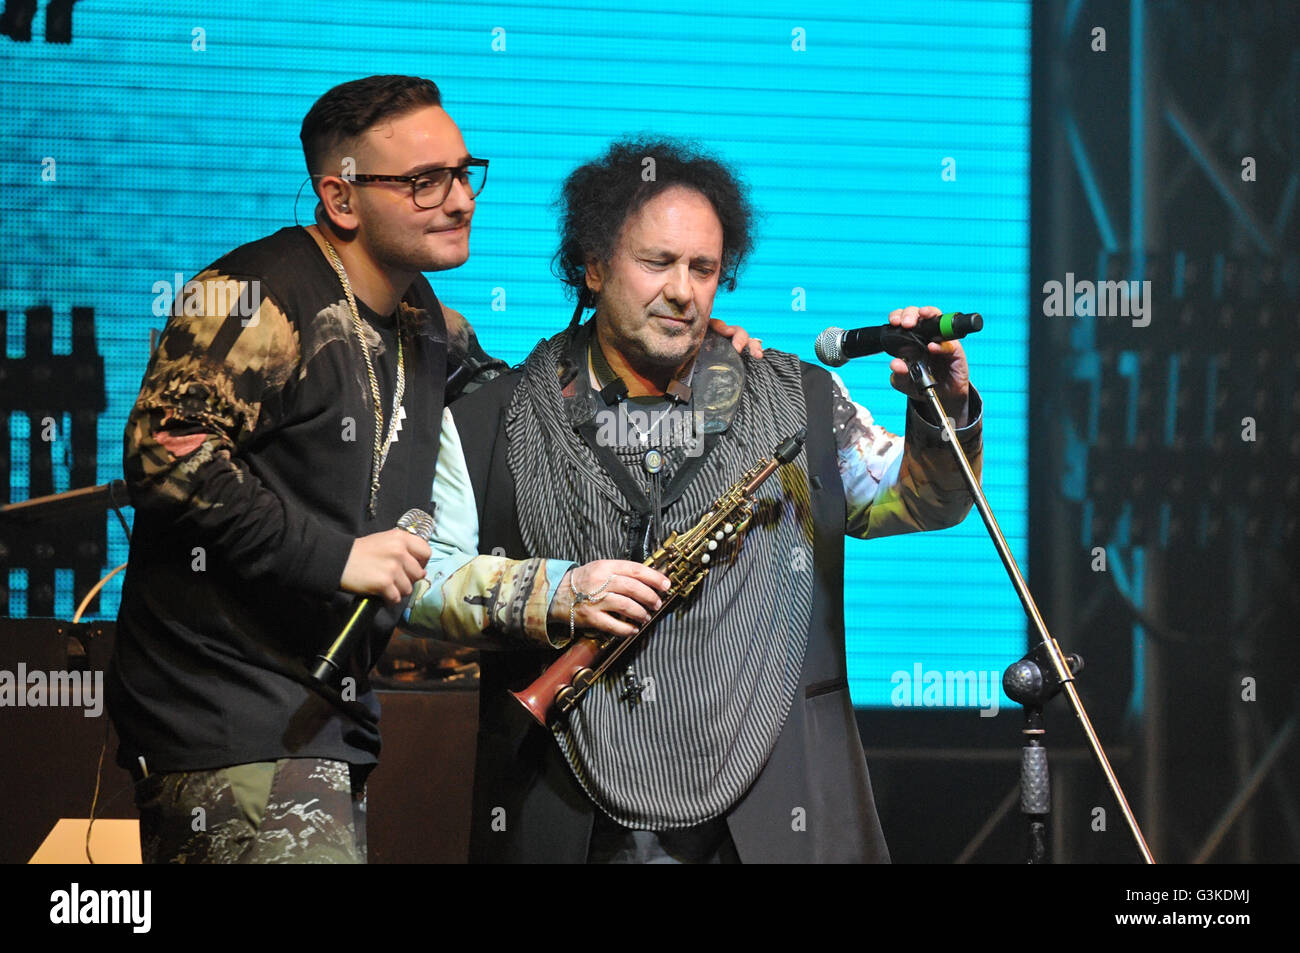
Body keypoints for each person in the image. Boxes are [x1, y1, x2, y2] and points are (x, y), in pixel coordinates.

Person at [105, 74, 762, 864]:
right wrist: (339, 556)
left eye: (463, 171)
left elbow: (533, 410)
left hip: (322, 724)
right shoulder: (255, 296)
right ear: (341, 199)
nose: (458, 199)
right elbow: (163, 456)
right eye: (423, 182)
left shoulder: (425, 321)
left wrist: (691, 348)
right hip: (227, 719)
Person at [405, 137, 985, 863]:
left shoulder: (802, 399)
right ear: (591, 265)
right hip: (569, 811)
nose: (683, 289)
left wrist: (944, 408)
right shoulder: (489, 420)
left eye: (703, 269)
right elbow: (420, 582)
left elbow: (925, 502)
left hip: (777, 814)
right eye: (657, 262)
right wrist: (555, 590)